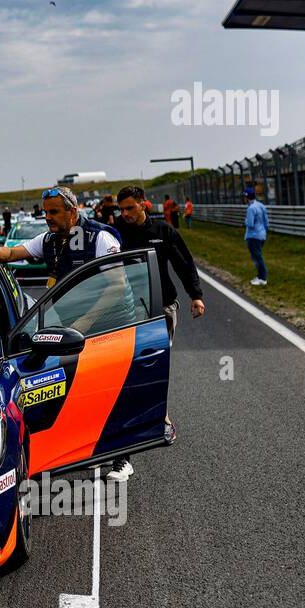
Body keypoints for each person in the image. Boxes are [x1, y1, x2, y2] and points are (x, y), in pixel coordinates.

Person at [0, 186, 137, 481]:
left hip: (111, 324)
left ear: (72, 211)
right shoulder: (49, 240)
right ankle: (90, 448)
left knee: (112, 390)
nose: (48, 218)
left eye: (54, 212)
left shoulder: (100, 237)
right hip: (74, 326)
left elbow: (117, 287)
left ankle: (121, 457)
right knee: (81, 388)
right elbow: (11, 252)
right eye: (45, 212)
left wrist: (84, 323)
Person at [116, 185, 204, 445]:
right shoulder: (116, 231)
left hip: (162, 306)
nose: (125, 213)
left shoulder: (163, 231)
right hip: (126, 309)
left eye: (130, 208)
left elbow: (183, 263)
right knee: (126, 364)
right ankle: (124, 415)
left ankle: (161, 416)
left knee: (157, 363)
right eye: (121, 209)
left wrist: (195, 295)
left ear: (144, 204)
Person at [244, 188, 269, 285]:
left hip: (253, 235)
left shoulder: (251, 208)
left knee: (257, 257)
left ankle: (262, 278)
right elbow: (266, 221)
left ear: (247, 197)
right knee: (258, 256)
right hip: (262, 234)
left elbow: (250, 223)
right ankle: (260, 276)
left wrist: (245, 220)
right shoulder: (261, 205)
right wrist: (264, 231)